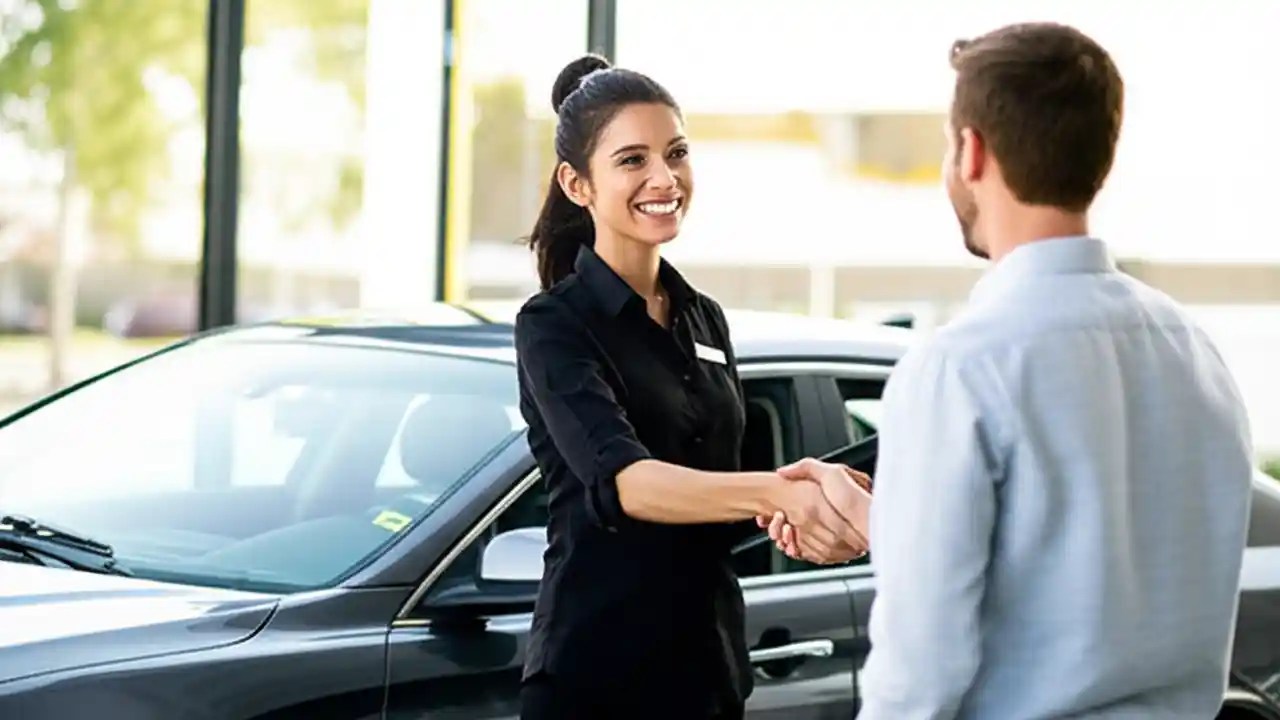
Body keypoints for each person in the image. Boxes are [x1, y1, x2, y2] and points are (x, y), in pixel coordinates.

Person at [769, 21, 1255, 719]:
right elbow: (1087, 576)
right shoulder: (1194, 353)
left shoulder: (958, 370)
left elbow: (917, 679)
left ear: (971, 151)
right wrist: (887, 522)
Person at [513, 55, 870, 720]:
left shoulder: (705, 318)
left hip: (709, 675)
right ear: (577, 183)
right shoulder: (553, 326)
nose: (664, 178)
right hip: (597, 682)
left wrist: (795, 512)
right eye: (632, 160)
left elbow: (713, 492)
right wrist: (773, 491)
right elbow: (628, 483)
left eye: (676, 153)